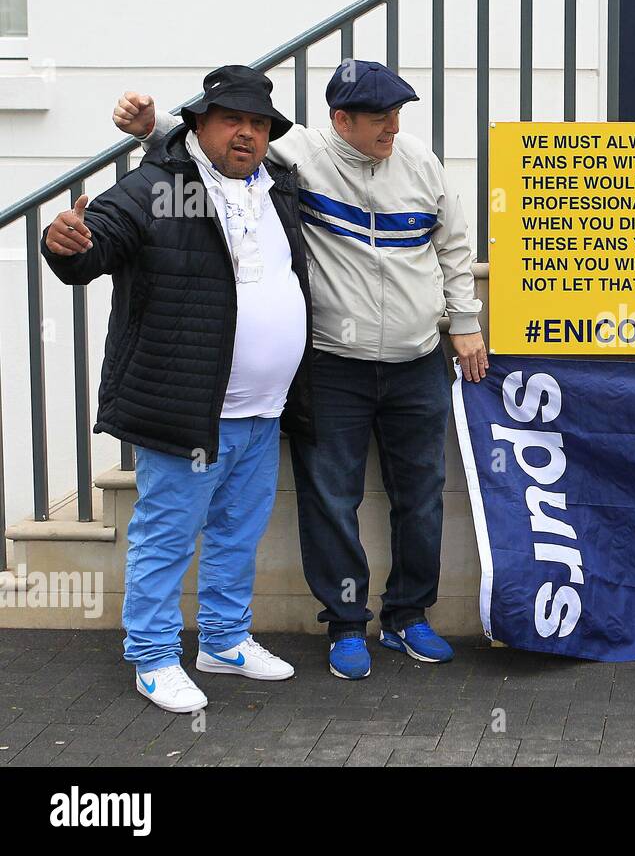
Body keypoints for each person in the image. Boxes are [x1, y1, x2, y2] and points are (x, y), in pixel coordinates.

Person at [113, 59, 486, 681]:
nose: (393, 127)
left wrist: (465, 321)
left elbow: (452, 248)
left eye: (397, 114)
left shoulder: (421, 163)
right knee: (331, 498)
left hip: (417, 360)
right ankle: (344, 622)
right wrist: (152, 134)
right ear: (340, 120)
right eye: (379, 118)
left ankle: (408, 616)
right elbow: (211, 157)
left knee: (420, 496)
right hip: (332, 368)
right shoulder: (296, 155)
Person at [44, 66, 309, 712]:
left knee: (236, 534)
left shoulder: (279, 187)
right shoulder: (157, 188)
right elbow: (93, 247)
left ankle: (223, 640)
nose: (246, 133)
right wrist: (67, 245)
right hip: (189, 408)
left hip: (262, 409)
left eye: (258, 123)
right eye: (231, 120)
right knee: (166, 535)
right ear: (198, 126)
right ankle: (154, 655)